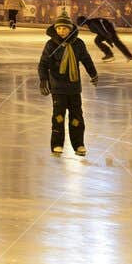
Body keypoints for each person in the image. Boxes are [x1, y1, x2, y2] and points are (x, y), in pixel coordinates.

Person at [38, 13, 97, 157]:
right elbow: (43, 64)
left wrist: (93, 73)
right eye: (59, 28)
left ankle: (79, 144)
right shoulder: (51, 44)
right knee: (58, 116)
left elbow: (86, 59)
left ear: (70, 29)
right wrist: (43, 79)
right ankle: (57, 144)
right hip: (57, 87)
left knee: (77, 116)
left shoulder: (78, 44)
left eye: (64, 28)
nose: (61, 31)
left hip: (74, 87)